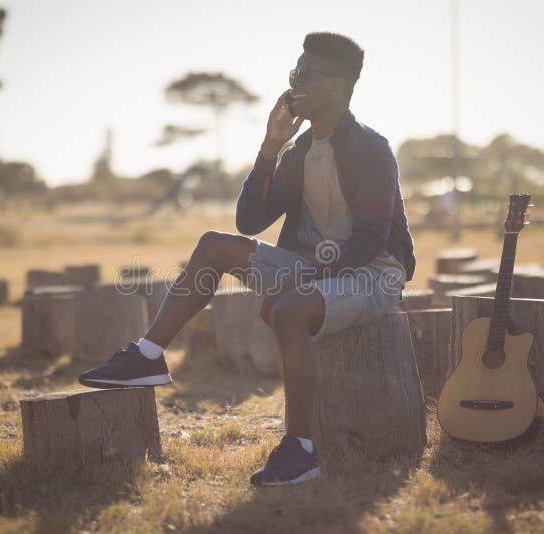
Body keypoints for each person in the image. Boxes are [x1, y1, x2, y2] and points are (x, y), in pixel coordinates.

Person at [79, 31, 416, 486]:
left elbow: (372, 241)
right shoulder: (298, 153)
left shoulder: (371, 149)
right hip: (320, 270)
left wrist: (306, 280)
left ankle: (301, 451)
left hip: (373, 274)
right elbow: (249, 221)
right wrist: (271, 146)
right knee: (215, 244)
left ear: (337, 85)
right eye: (293, 72)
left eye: (306, 74)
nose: (294, 82)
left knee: (290, 309)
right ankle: (148, 355)